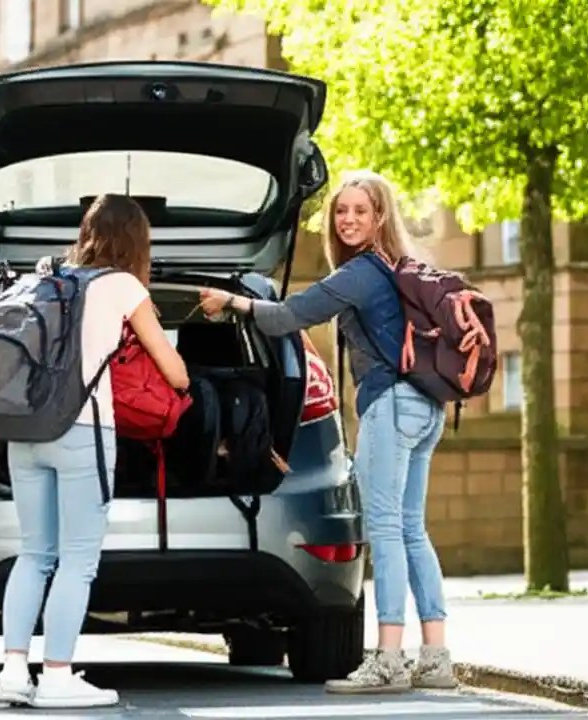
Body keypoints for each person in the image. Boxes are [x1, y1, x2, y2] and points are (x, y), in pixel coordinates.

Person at [198, 170, 455, 694]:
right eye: (341, 211)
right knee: (410, 529)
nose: (348, 220)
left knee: (383, 528)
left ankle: (388, 658)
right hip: (428, 406)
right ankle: (436, 656)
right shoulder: (405, 268)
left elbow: (291, 315)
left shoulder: (363, 272)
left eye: (360, 211)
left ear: (380, 215)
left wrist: (233, 303)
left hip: (392, 404)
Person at [0, 194, 189, 709]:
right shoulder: (123, 285)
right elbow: (173, 369)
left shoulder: (47, 279)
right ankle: (57, 675)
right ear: (136, 241)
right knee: (78, 560)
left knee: (35, 553)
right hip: (83, 431)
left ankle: (13, 670)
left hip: (26, 431)